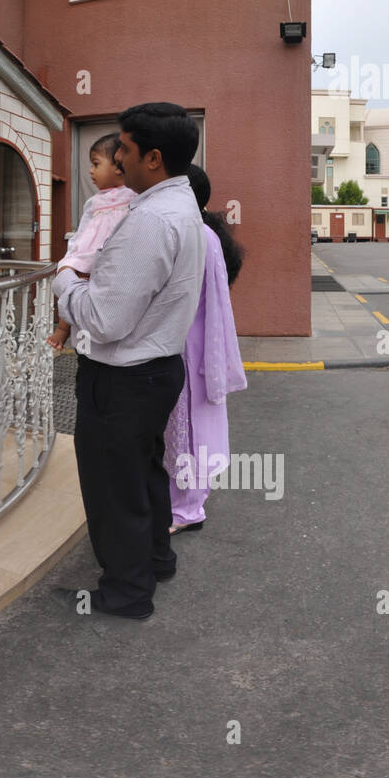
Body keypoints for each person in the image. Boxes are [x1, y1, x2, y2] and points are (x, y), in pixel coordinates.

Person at [51, 102, 205, 620]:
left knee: (113, 487)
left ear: (154, 158)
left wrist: (65, 279)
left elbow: (106, 317)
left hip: (123, 378)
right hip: (154, 370)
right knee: (142, 474)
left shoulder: (150, 221)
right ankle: (155, 560)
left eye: (126, 149)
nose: (117, 158)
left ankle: (126, 591)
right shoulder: (179, 205)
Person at [164, 163, 246, 532]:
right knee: (190, 427)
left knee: (188, 430)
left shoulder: (197, 235)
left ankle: (187, 509)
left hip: (189, 347)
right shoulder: (204, 233)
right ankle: (189, 501)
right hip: (194, 346)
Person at [48, 134, 132, 353]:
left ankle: (90, 348)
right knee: (73, 294)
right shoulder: (94, 202)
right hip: (87, 258)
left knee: (97, 306)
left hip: (113, 259)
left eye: (96, 164)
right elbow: (82, 233)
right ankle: (64, 332)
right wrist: (71, 257)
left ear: (118, 165)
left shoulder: (134, 195)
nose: (90, 171)